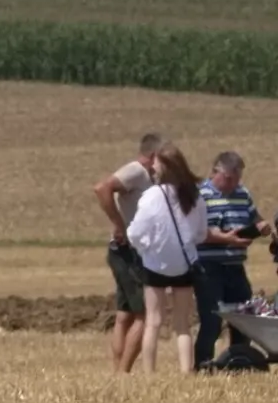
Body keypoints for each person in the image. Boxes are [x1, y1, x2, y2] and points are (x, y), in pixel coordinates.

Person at [127, 144, 207, 374]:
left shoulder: (152, 196)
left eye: (155, 162)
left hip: (156, 264)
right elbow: (201, 233)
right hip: (184, 264)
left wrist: (146, 248)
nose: (152, 166)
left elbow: (135, 233)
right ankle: (185, 371)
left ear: (164, 167)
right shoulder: (195, 196)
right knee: (182, 324)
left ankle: (150, 374)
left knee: (153, 321)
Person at [92, 133, 164, 373]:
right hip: (130, 252)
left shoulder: (147, 177)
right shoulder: (136, 171)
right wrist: (120, 224)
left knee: (125, 314)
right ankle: (123, 372)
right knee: (145, 313)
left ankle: (117, 371)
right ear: (154, 155)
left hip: (126, 250)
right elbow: (102, 188)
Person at [194, 151, 269, 366]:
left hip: (236, 267)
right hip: (209, 268)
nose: (233, 183)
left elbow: (255, 217)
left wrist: (260, 226)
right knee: (212, 320)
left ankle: (239, 362)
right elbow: (198, 231)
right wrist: (228, 239)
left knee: (244, 320)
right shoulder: (201, 195)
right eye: (228, 179)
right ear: (215, 172)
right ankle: (202, 365)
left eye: (237, 179)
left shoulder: (242, 193)